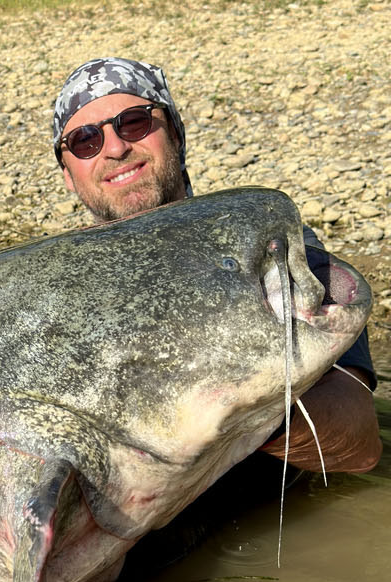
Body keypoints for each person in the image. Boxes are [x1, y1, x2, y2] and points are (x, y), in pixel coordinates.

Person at [52, 57, 381, 477]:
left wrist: (228, 408)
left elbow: (360, 448)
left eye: (134, 123)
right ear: (68, 173)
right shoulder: (57, 294)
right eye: (85, 141)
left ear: (175, 133)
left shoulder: (267, 244)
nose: (115, 148)